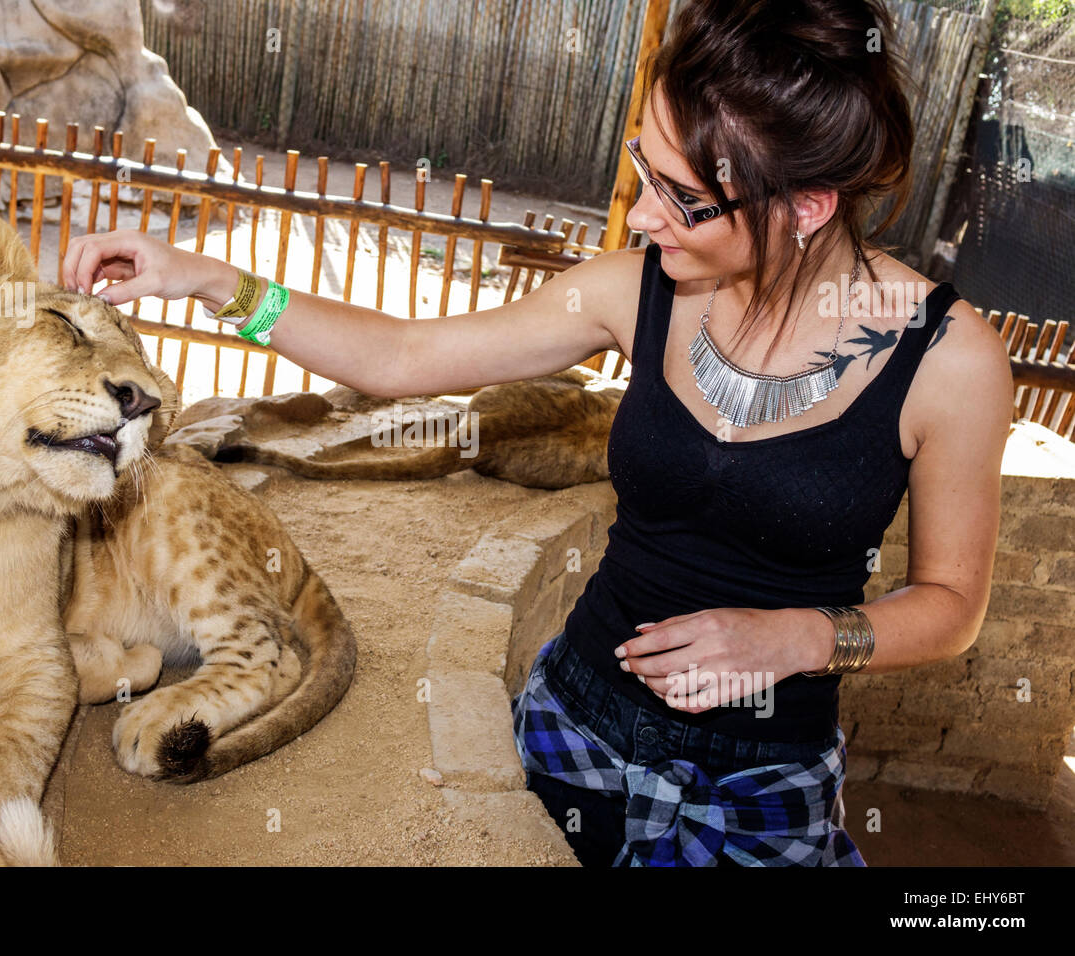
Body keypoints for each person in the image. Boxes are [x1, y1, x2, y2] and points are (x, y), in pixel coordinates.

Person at [60, 0, 1013, 867]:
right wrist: (215, 283)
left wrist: (803, 637)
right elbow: (398, 358)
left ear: (805, 207)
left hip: (765, 780)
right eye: (646, 168)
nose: (642, 216)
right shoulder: (629, 289)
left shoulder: (950, 362)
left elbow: (952, 605)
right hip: (574, 728)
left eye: (683, 199)